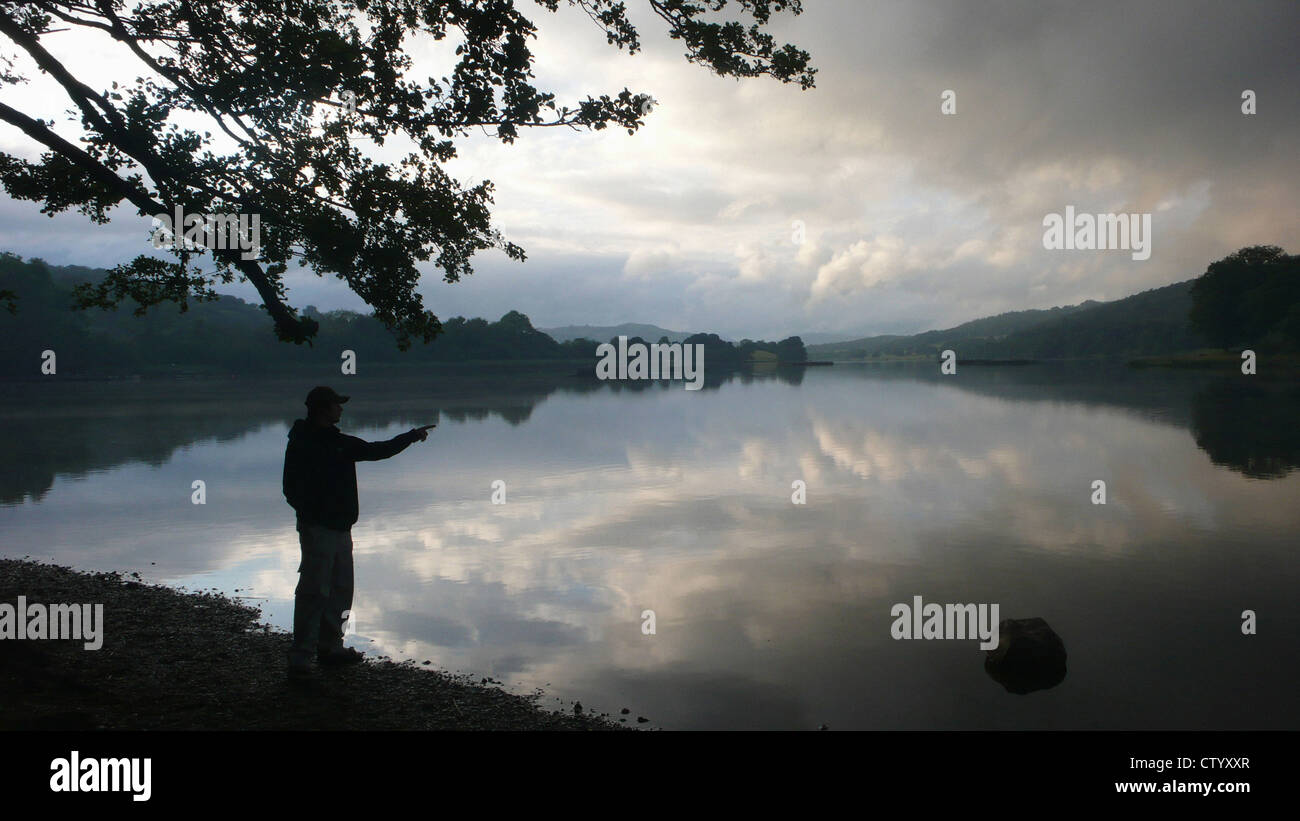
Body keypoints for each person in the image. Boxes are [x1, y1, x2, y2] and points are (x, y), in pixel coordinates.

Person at [281, 385, 433, 680]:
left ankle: (330, 648)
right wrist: (311, 515)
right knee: (313, 591)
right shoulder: (303, 443)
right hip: (318, 529)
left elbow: (377, 451)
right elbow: (291, 488)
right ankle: (300, 659)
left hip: (341, 528)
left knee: (340, 590)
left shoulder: (337, 442)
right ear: (323, 409)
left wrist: (411, 437)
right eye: (337, 405)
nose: (341, 409)